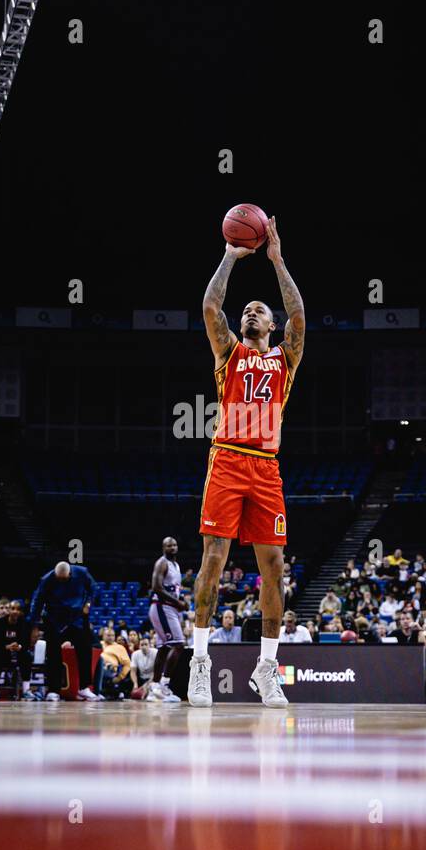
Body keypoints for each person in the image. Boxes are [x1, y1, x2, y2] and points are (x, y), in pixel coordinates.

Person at [189, 214, 305, 707]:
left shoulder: (284, 358)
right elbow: (211, 304)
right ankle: (199, 663)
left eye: (259, 310)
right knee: (213, 562)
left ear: (271, 324)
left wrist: (276, 260)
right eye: (247, 311)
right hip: (228, 461)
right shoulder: (230, 355)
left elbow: (299, 316)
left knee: (274, 568)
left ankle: (266, 669)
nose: (250, 313)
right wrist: (230, 256)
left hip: (266, 468)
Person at [28, 560, 98, 701]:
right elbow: (38, 601)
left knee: (85, 650)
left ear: (70, 573)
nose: (61, 581)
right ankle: (53, 690)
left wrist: (88, 603)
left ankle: (84, 688)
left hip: (77, 617)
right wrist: (34, 625)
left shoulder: (82, 572)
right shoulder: (47, 580)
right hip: (55, 618)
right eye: (58, 579)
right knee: (53, 654)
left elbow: (94, 589)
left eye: (63, 579)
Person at [147, 536, 186, 701]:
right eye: (169, 545)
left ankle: (154, 688)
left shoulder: (176, 565)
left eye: (175, 544)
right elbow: (156, 587)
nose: (173, 547)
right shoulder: (162, 563)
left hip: (169, 607)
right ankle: (164, 684)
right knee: (179, 644)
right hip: (162, 606)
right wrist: (178, 602)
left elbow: (173, 588)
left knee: (164, 648)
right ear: (163, 548)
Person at [0, 600, 35, 700]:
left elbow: (26, 644)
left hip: (18, 653)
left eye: (18, 609)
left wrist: (19, 647)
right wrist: (7, 647)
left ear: (21, 612)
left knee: (27, 656)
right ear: (9, 610)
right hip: (3, 653)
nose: (15, 611)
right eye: (13, 609)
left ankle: (26, 691)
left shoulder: (25, 624)